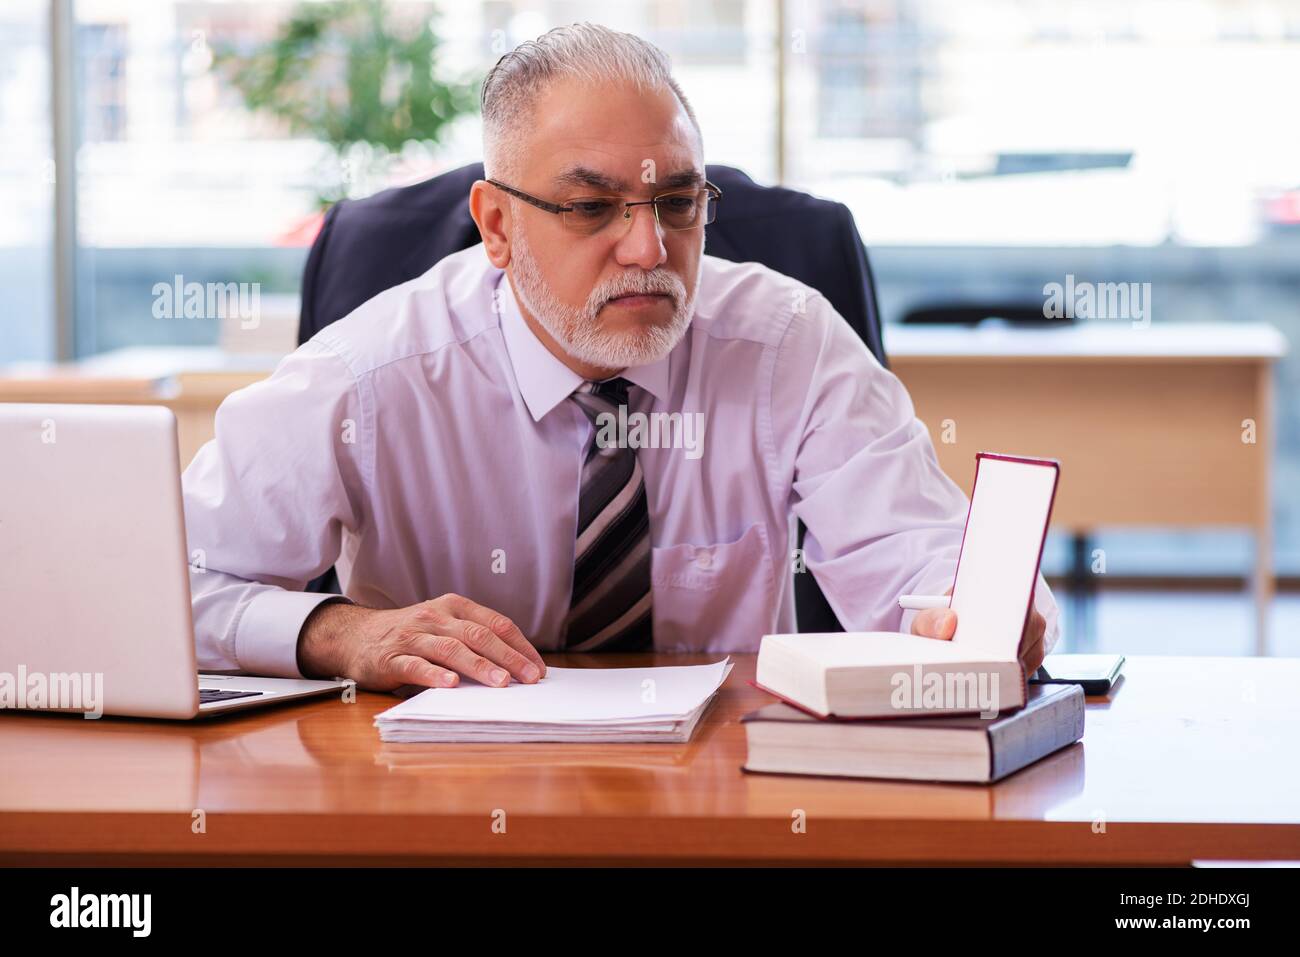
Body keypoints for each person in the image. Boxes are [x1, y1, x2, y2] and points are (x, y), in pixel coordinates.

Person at [182, 23, 1058, 694]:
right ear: (496, 225)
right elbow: (168, 581)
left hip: (724, 802)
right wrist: (342, 634)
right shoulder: (372, 375)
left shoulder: (790, 344)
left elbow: (918, 555)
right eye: (592, 208)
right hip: (440, 810)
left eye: (677, 202)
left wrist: (977, 616)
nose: (649, 248)